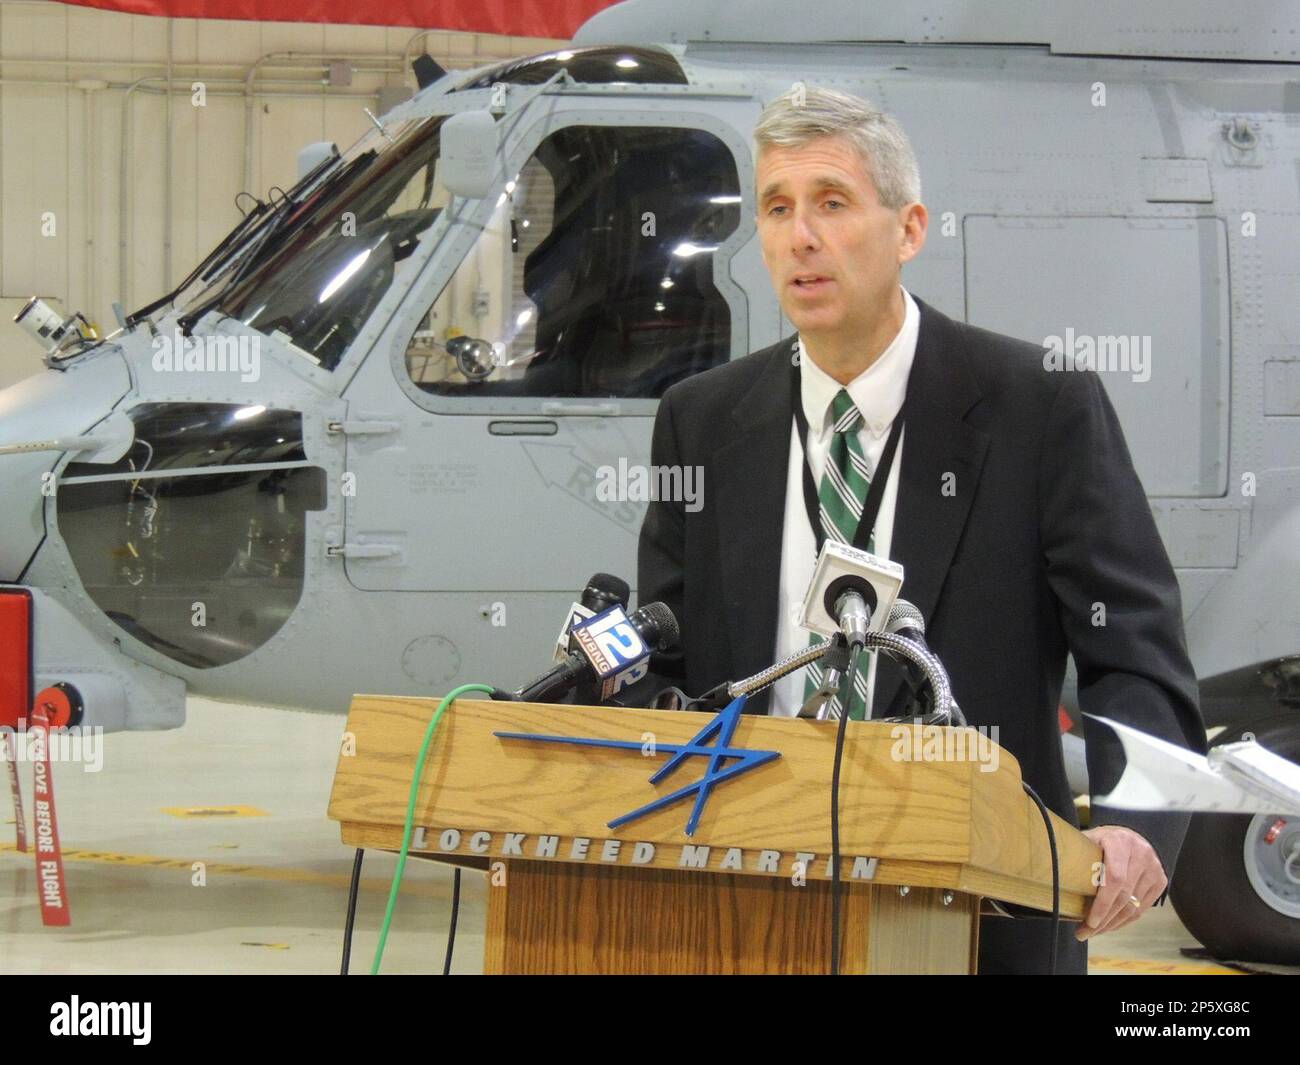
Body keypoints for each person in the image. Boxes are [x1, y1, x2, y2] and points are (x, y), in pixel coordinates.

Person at [636, 87, 1206, 974]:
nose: (800, 237)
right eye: (777, 209)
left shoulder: (1039, 404)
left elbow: (1134, 646)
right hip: (746, 901)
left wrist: (1134, 817)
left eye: (832, 202)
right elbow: (666, 651)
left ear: (908, 229)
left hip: (985, 907)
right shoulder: (700, 420)